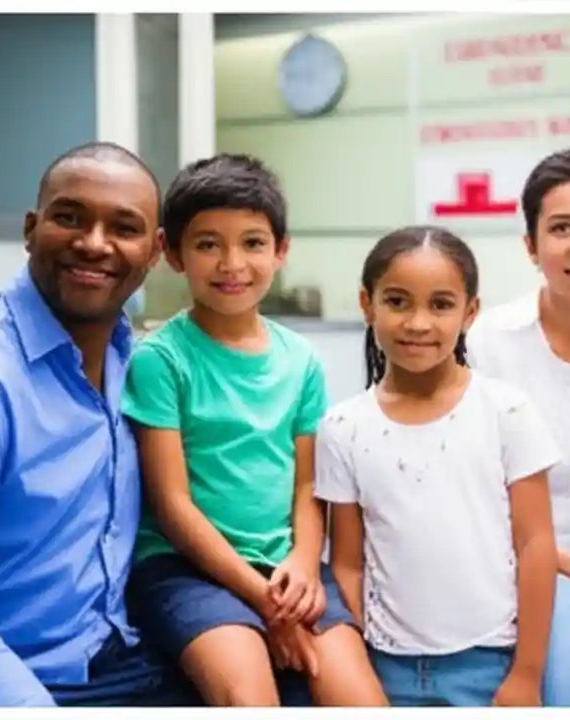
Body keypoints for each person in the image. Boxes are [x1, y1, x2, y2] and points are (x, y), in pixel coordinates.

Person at [120, 153, 386, 706]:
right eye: (208, 244)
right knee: (250, 697)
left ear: (281, 249)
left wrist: (302, 564)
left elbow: (308, 486)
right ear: (172, 253)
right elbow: (172, 506)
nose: (232, 263)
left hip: (283, 564)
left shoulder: (301, 360)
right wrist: (264, 603)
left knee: (358, 697)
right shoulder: (160, 360)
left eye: (253, 243)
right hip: (184, 568)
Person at [0, 141, 198, 707]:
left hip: (129, 653)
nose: (93, 243)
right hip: (30, 680)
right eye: (69, 218)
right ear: (30, 229)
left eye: (124, 228)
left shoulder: (138, 362)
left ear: (155, 251)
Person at [315, 226, 559, 706]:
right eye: (397, 302)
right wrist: (358, 667)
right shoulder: (343, 427)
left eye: (441, 305)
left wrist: (527, 674)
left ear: (470, 313)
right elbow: (347, 563)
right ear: (367, 305)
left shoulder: (506, 411)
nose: (418, 323)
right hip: (385, 670)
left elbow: (535, 546)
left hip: (489, 666)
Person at [467, 147, 570, 706]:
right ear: (531, 246)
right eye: (563, 228)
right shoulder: (486, 345)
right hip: (523, 576)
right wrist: (557, 561)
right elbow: (465, 489)